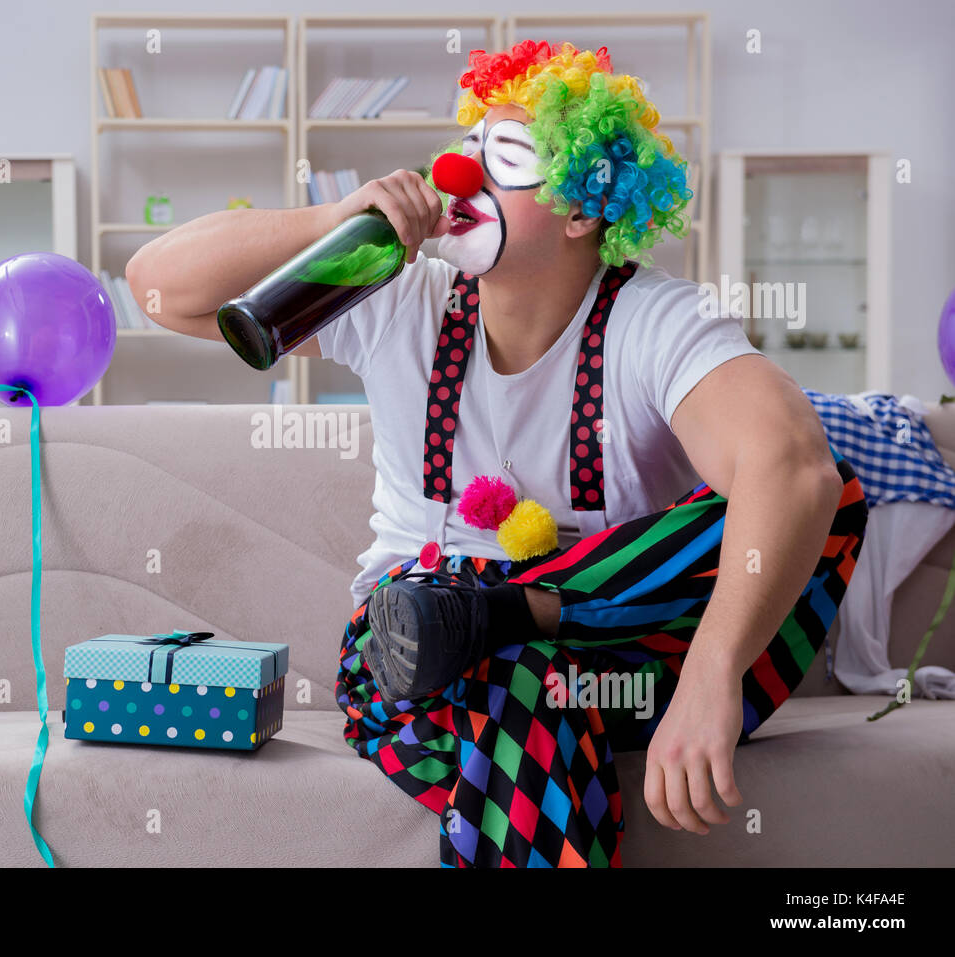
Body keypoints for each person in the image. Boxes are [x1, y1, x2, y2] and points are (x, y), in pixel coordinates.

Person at [126, 40, 868, 867]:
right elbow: (157, 283)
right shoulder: (393, 296)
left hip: (621, 652)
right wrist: (332, 222)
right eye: (466, 148)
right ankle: (493, 620)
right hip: (416, 657)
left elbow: (794, 465)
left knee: (829, 500)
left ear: (583, 209)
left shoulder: (658, 322)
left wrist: (712, 670)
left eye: (503, 157)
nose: (458, 174)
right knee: (522, 682)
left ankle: (510, 610)